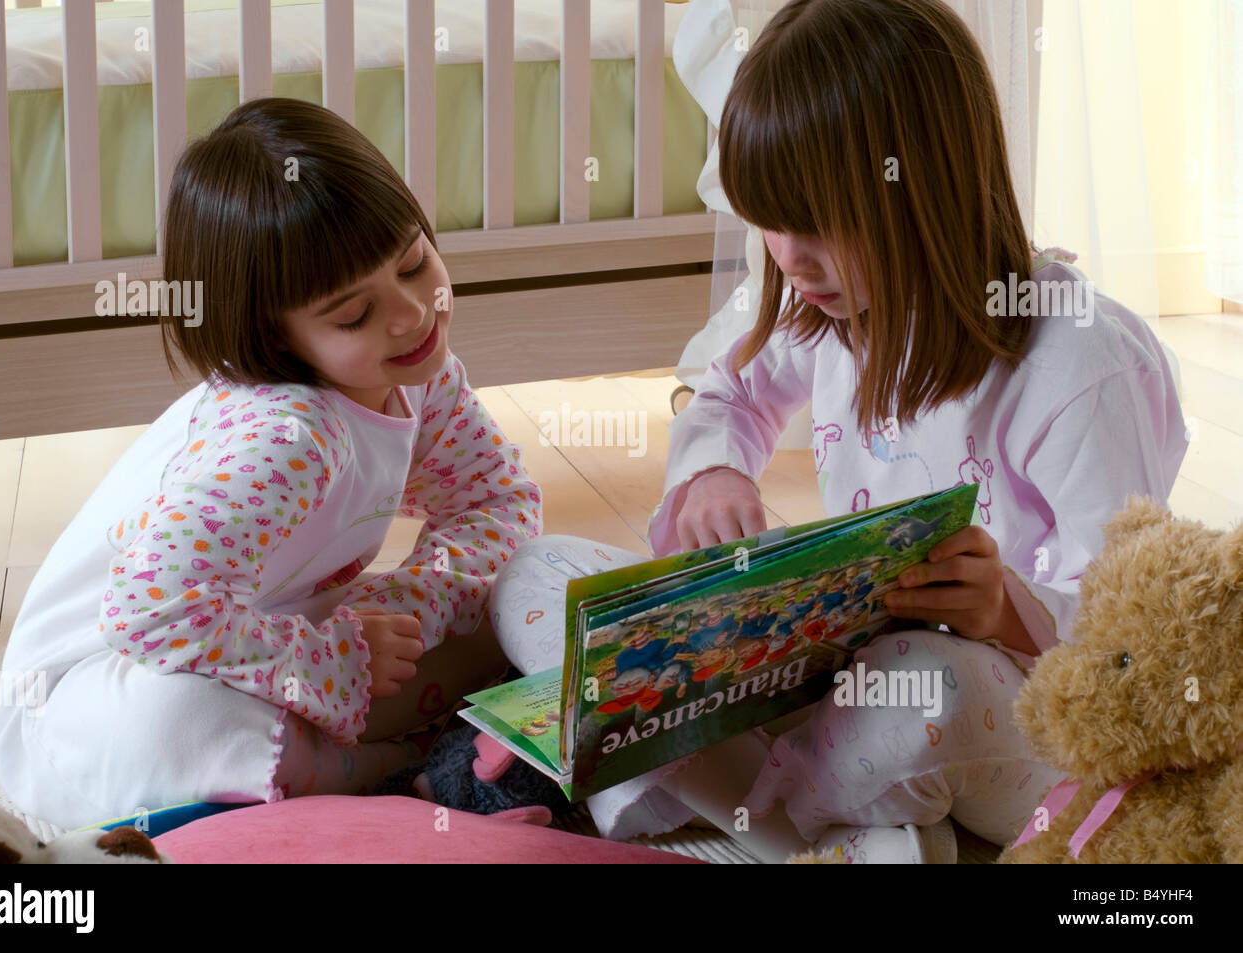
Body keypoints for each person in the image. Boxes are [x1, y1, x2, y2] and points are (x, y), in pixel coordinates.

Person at [430, 0, 1188, 862]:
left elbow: (1135, 637)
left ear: (929, 187)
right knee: (542, 578)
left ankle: (727, 812)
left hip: (1012, 722)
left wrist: (1006, 609)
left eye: (817, 222)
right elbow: (727, 401)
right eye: (769, 221)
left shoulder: (1078, 360)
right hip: (844, 682)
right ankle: (863, 829)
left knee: (919, 691)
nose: (788, 257)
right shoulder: (834, 315)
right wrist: (715, 476)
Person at [0, 98, 542, 831]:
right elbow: (151, 608)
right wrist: (332, 657)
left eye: (414, 263)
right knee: (170, 720)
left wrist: (414, 600)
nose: (410, 314)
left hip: (250, 628)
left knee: (524, 589)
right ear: (271, 337)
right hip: (93, 686)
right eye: (352, 315)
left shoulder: (419, 373)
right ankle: (391, 776)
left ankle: (368, 755)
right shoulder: (286, 439)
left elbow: (495, 501)